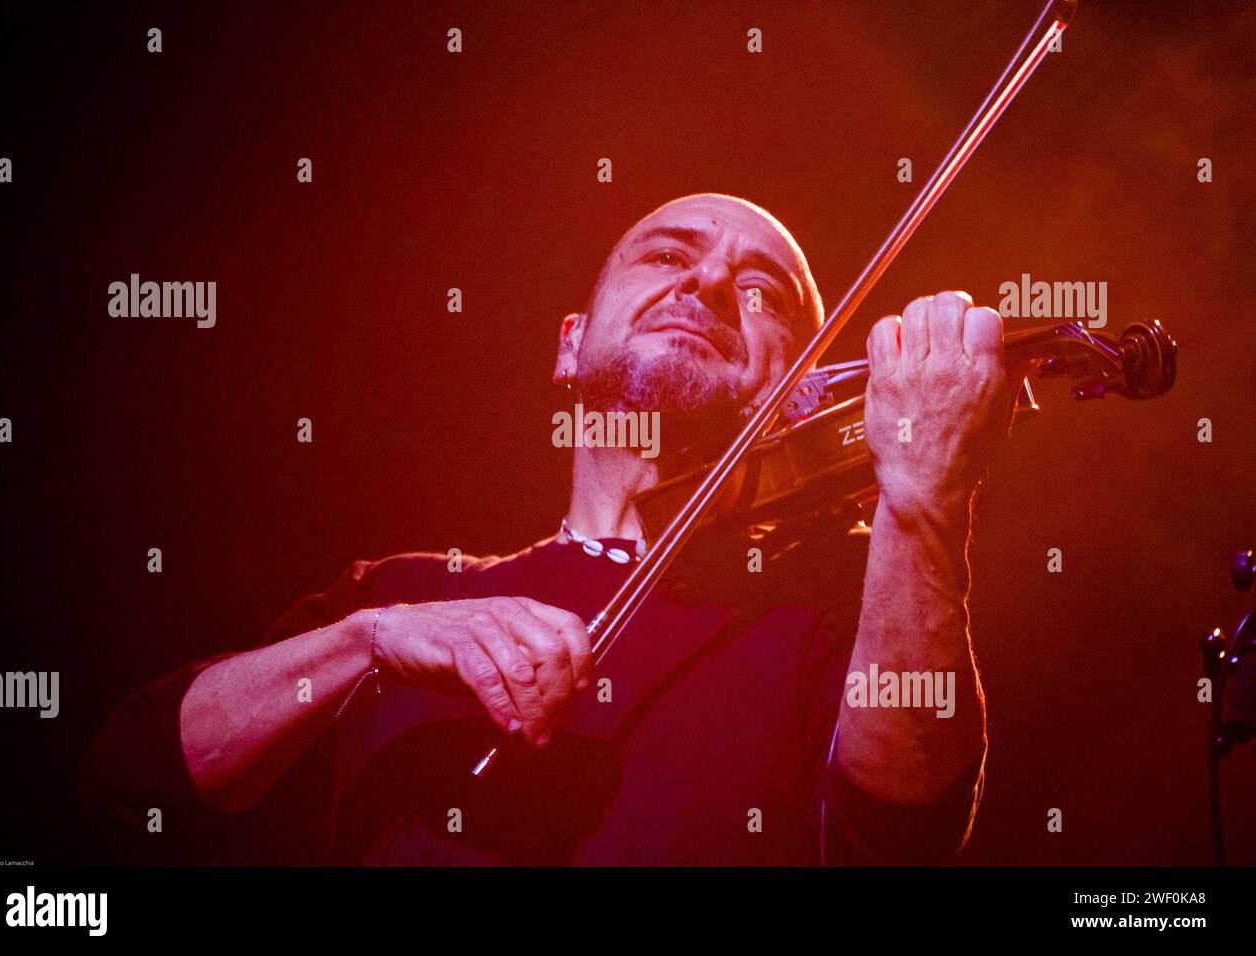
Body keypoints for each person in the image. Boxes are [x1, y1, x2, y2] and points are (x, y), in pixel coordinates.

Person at [79, 192, 1016, 865]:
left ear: (797, 393)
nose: (712, 277)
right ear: (572, 343)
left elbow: (898, 841)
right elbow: (130, 779)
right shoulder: (405, 597)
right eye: (666, 255)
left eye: (762, 291)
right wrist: (371, 639)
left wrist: (923, 507)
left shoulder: (829, 617)